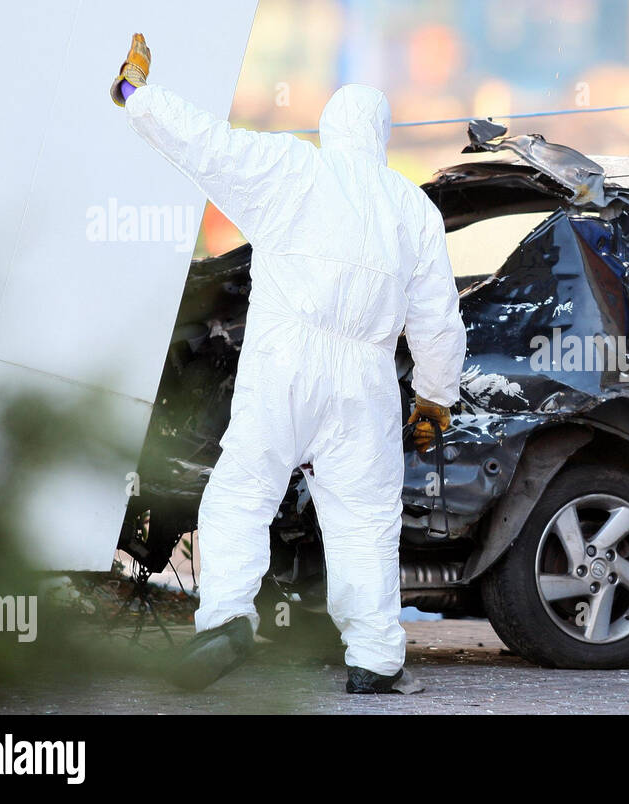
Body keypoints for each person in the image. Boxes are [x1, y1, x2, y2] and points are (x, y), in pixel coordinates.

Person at [110, 34, 466, 693]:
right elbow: (439, 318)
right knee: (365, 522)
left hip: (286, 365)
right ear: (382, 135)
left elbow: (207, 146)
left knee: (242, 495)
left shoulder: (292, 169)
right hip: (365, 384)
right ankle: (375, 661)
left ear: (331, 128)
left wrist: (138, 96)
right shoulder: (410, 208)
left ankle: (224, 625)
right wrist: (434, 398)